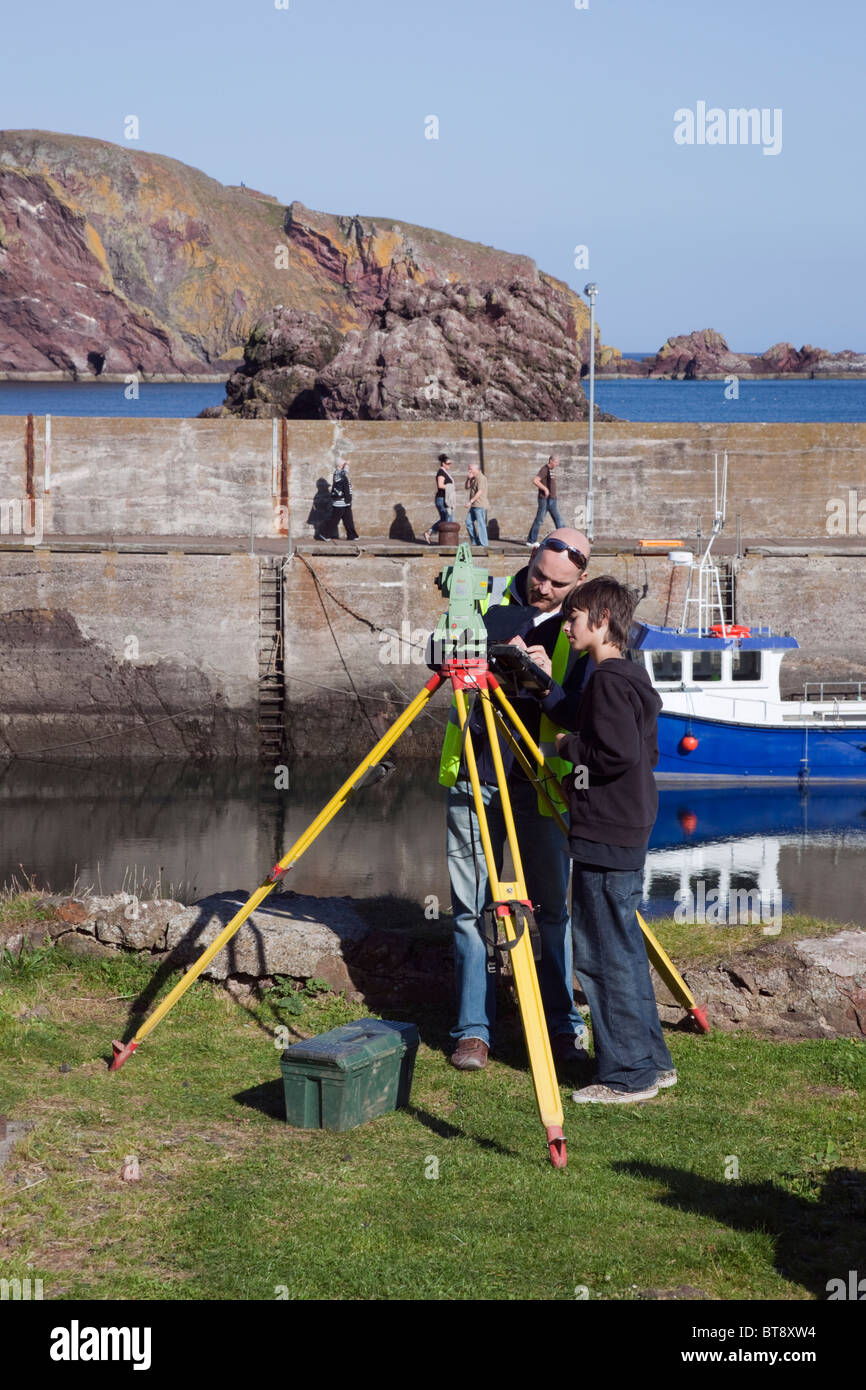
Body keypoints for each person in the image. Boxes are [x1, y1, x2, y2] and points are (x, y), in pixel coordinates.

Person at [440, 528, 593, 1070]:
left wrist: (547, 678)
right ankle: (473, 1031)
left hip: (541, 780)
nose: (543, 589)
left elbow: (586, 705)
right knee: (469, 911)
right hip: (478, 772)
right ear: (528, 561)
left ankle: (562, 1026)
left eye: (557, 584)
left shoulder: (580, 625)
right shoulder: (480, 603)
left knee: (553, 911)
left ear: (578, 583)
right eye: (538, 576)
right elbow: (443, 661)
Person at [553, 576, 676, 1104]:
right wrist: (574, 779)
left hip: (606, 834)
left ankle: (627, 1075)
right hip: (628, 825)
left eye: (574, 616)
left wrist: (568, 746)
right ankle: (652, 1060)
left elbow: (615, 755)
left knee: (601, 954)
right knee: (623, 949)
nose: (566, 625)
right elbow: (641, 759)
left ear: (601, 619)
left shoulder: (604, 680)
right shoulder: (632, 679)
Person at [526, 455, 564, 545]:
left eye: (558, 462)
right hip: (545, 500)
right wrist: (545, 489)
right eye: (556, 462)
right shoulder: (544, 469)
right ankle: (531, 541)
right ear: (551, 461)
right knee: (539, 520)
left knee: (558, 519)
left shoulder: (551, 470)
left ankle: (564, 538)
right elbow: (535, 480)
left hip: (552, 499)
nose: (557, 464)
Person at [424, 454, 457, 544]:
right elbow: (440, 485)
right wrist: (450, 487)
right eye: (447, 463)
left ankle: (430, 532)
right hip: (442, 499)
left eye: (450, 463)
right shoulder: (441, 473)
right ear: (443, 463)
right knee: (448, 518)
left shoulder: (445, 472)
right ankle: (448, 541)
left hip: (444, 498)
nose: (449, 465)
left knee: (445, 519)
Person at [327, 458, 358, 540]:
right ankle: (325, 535)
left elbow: (345, 476)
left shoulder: (341, 474)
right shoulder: (338, 473)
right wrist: (347, 464)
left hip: (346, 502)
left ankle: (352, 536)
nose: (345, 466)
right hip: (340, 502)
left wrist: (349, 486)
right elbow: (345, 472)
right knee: (334, 521)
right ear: (340, 465)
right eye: (343, 465)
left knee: (348, 520)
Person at [464, 462, 489, 546]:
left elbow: (480, 492)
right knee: (468, 522)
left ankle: (484, 544)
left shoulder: (481, 478)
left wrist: (470, 501)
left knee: (481, 525)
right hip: (474, 505)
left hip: (480, 505)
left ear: (476, 469)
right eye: (469, 469)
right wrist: (468, 479)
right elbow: (467, 487)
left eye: (470, 469)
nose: (469, 470)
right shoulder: (473, 478)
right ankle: (475, 542)